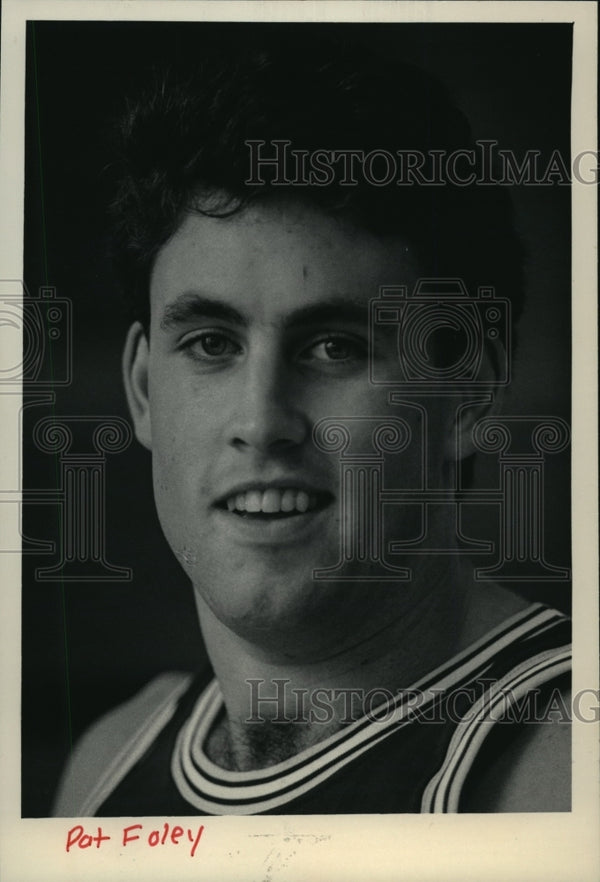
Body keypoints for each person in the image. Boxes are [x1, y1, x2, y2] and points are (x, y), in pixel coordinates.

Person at [52, 35, 571, 816]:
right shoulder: (104, 768)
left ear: (471, 387)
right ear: (142, 388)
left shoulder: (565, 768)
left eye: (334, 346)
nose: (261, 421)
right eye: (211, 344)